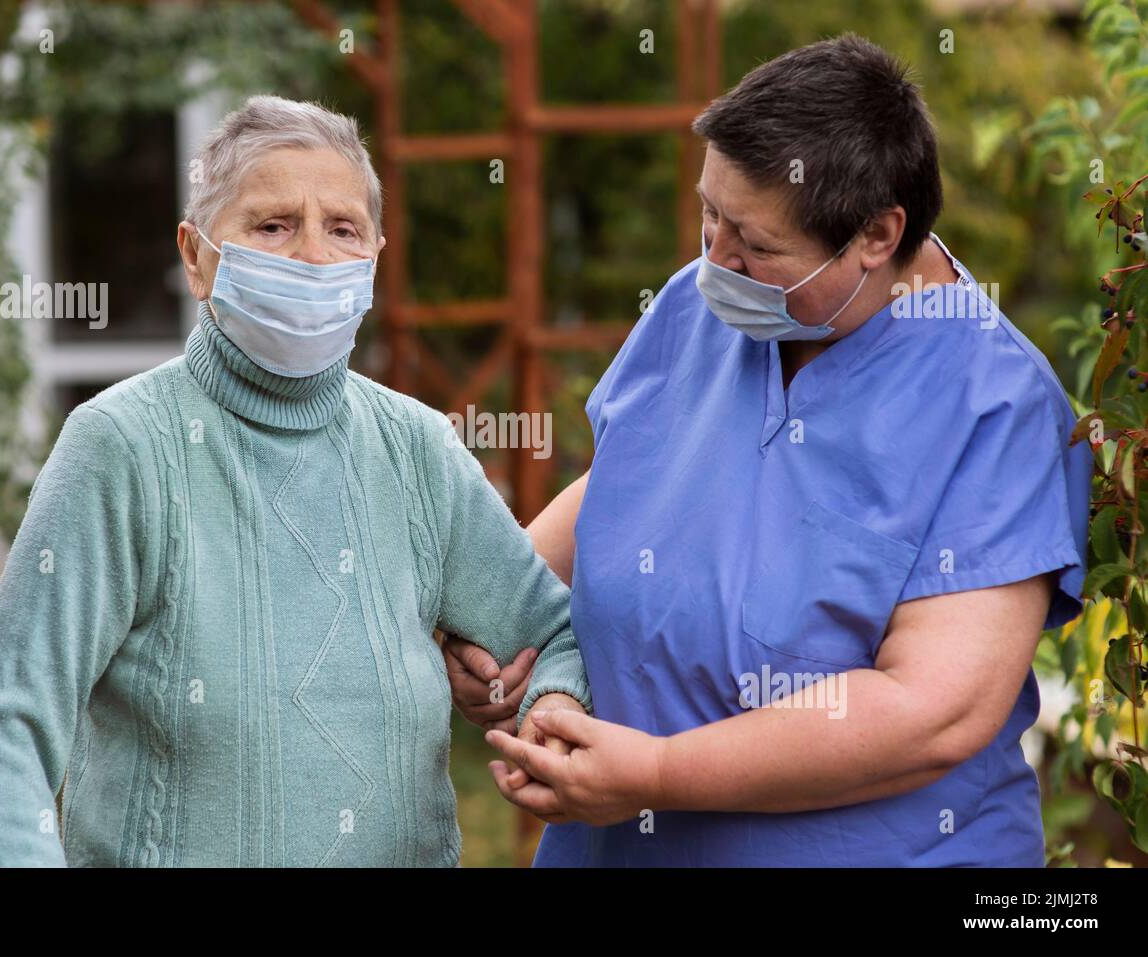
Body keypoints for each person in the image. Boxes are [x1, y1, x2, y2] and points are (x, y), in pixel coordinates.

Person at [450, 34, 1092, 867]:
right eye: (708, 213)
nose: (715, 258)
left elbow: (932, 710)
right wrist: (494, 624)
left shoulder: (995, 406)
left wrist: (656, 770)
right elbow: (627, 483)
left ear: (875, 234)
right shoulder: (698, 303)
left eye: (753, 241)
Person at [0, 95, 591, 867]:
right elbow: (5, 727)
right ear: (195, 254)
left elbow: (557, 629)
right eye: (273, 225)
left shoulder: (417, 448)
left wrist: (553, 699)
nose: (314, 255)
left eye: (343, 228)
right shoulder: (120, 446)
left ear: (377, 254)